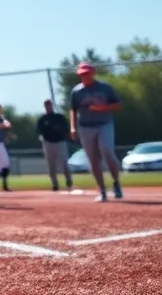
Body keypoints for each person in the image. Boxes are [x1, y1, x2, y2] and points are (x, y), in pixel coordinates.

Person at [69, 62, 123, 202]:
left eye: (86, 73)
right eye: (81, 74)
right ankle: (102, 191)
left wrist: (102, 107)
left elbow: (118, 105)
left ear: (92, 73)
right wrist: (73, 127)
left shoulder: (105, 88)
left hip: (104, 124)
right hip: (85, 127)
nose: (84, 76)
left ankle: (116, 182)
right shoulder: (77, 91)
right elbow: (73, 110)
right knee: (93, 161)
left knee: (106, 150)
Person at [36, 99, 73, 191]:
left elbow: (66, 129)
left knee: (64, 162)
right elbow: (39, 131)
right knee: (51, 164)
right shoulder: (43, 119)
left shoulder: (59, 117)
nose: (48, 106)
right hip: (48, 142)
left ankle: (69, 181)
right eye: (46, 105)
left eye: (49, 105)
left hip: (60, 142)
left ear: (52, 105)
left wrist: (66, 136)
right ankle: (54, 183)